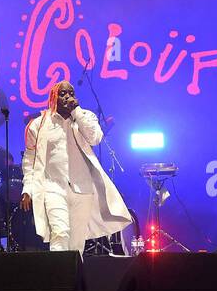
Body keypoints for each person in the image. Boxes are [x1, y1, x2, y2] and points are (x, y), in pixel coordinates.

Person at [19, 80, 132, 254]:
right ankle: (60, 278)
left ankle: (73, 280)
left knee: (77, 243)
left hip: (83, 189)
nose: (68, 97)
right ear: (53, 97)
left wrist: (77, 111)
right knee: (60, 234)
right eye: (63, 94)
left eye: (71, 93)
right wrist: (28, 188)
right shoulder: (39, 124)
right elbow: (30, 160)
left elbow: (95, 138)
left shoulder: (85, 117)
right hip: (53, 188)